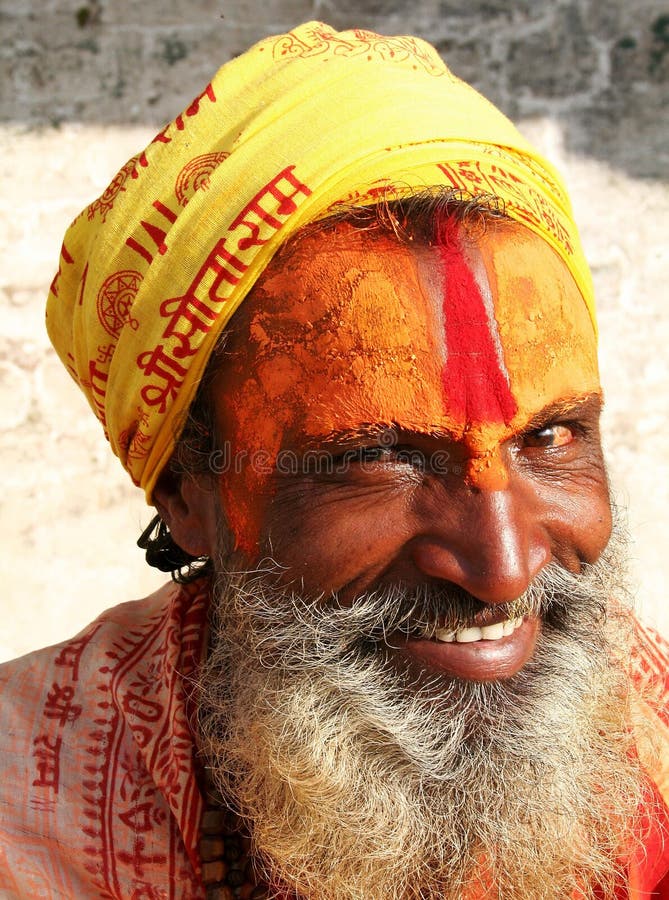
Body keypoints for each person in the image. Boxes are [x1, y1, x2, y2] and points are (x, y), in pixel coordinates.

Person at [1, 20, 668, 899]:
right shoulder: (28, 812)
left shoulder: (648, 730)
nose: (502, 570)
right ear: (184, 493)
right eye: (380, 458)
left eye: (548, 437)